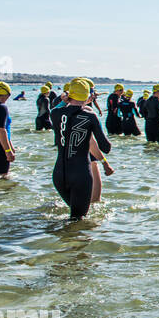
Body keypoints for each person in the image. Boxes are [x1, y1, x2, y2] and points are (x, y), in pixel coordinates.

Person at [51, 78, 113, 219]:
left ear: (69, 95)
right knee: (78, 221)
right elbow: (106, 147)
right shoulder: (90, 115)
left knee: (73, 216)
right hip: (80, 175)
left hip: (59, 175)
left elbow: (56, 107)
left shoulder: (55, 114)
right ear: (87, 96)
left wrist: (64, 100)